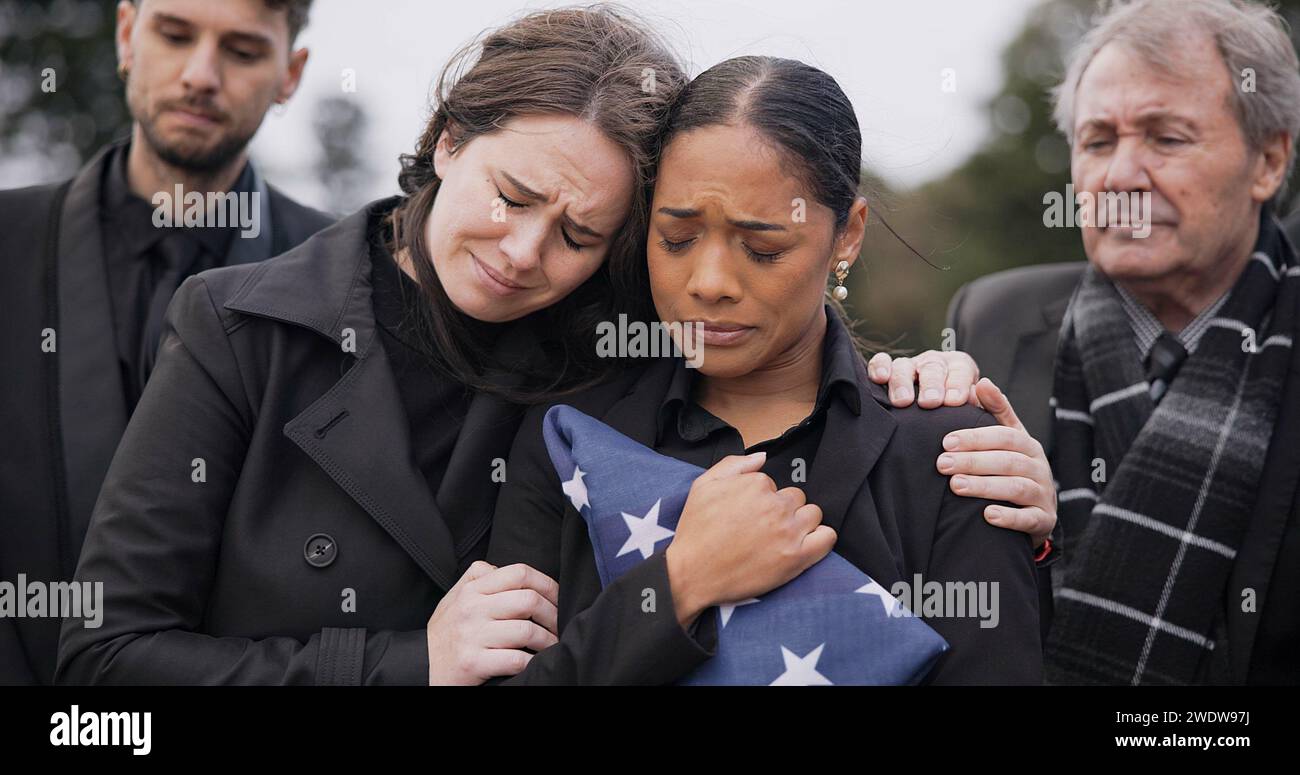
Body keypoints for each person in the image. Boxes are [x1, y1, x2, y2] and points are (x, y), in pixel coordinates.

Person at [487, 56, 1044, 685]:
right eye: (676, 238)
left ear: (847, 236)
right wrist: (679, 585)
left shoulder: (948, 456)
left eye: (763, 248)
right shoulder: (569, 436)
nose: (711, 283)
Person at [889, 0, 1300, 685]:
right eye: (1098, 141)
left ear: (1268, 159)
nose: (1118, 178)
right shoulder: (990, 321)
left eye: (1167, 139)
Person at [0, 0, 330, 686]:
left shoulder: (346, 279)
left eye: (242, 51)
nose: (201, 75)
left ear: (290, 73)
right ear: (126, 34)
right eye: (174, 35)